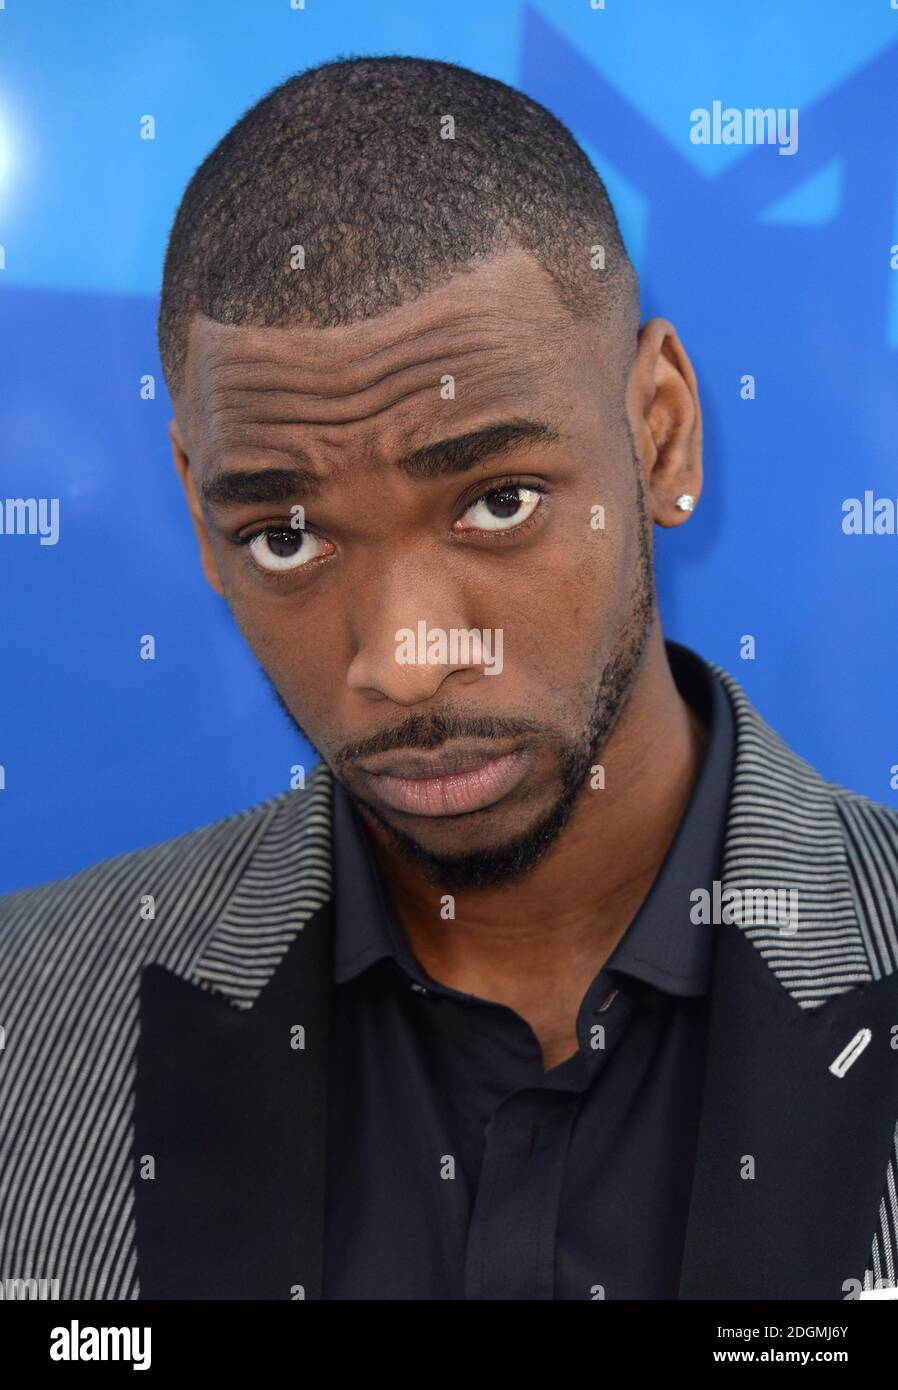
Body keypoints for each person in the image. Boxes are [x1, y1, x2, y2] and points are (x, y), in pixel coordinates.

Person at [2, 55, 897, 1302]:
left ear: (661, 433)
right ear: (201, 520)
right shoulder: (25, 1017)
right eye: (287, 536)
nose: (403, 661)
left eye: (499, 500)